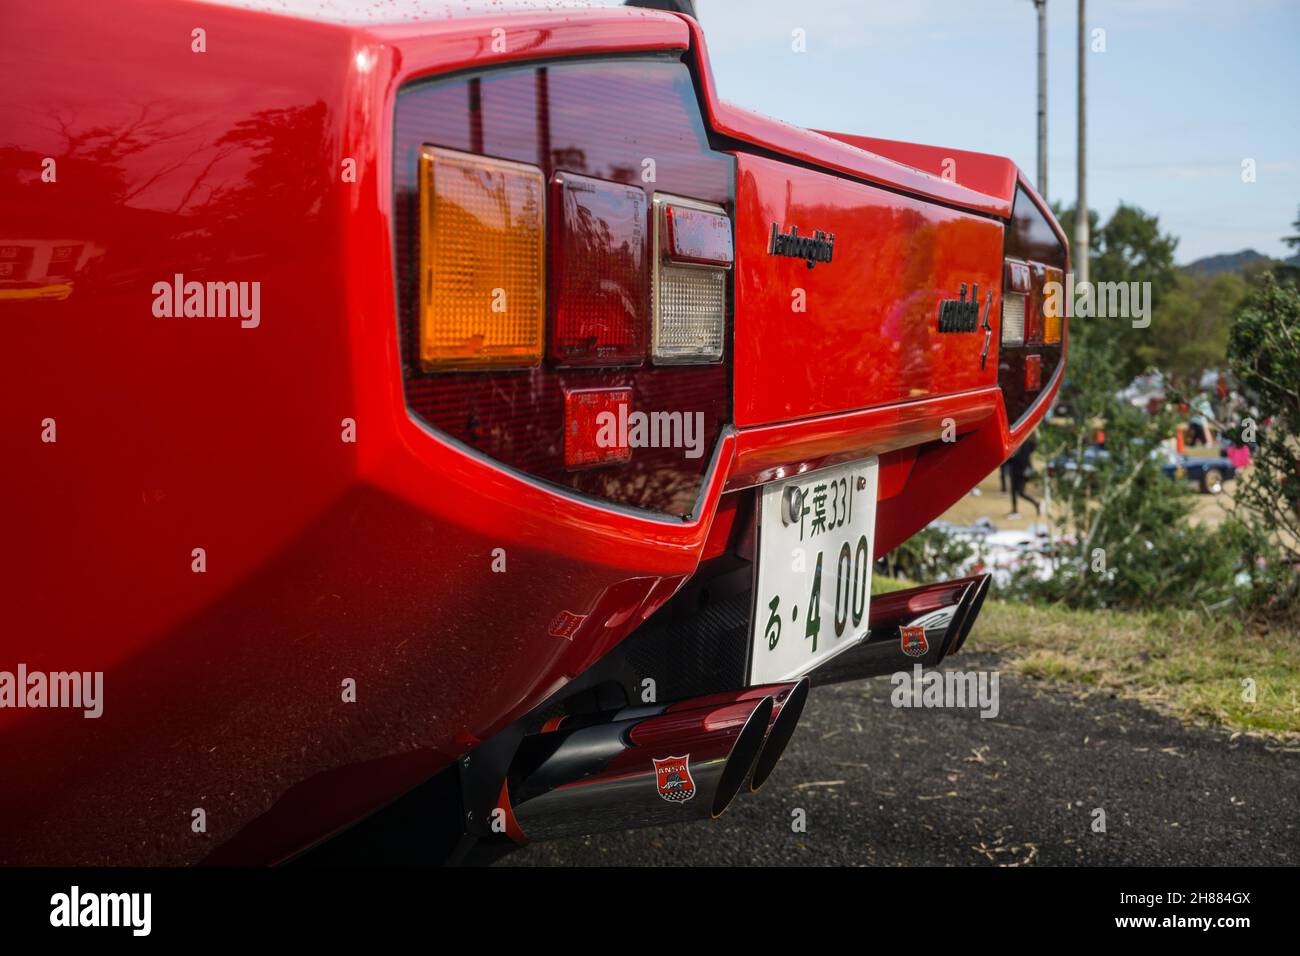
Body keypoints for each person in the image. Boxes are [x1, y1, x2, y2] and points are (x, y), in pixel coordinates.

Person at [1006, 432, 1039, 518]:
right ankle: (1014, 510)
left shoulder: (1025, 444)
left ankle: (1036, 504)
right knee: (1014, 492)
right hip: (1015, 470)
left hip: (1021, 472)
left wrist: (1010, 460)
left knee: (1020, 492)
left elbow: (1022, 459)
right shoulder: (1020, 444)